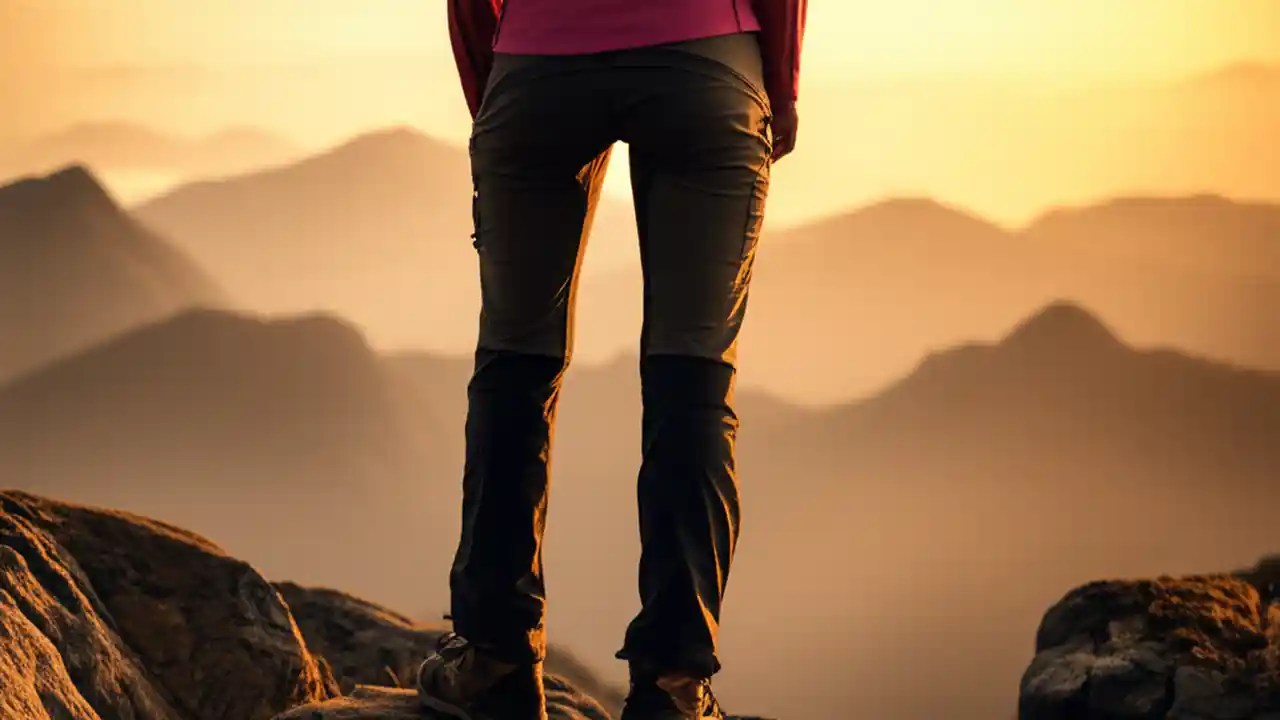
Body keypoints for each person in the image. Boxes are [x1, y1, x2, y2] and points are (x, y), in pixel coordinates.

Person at [417, 1, 806, 718]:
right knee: (694, 381)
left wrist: (499, 80)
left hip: (540, 64)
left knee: (515, 367)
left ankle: (494, 660)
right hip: (709, 59)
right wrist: (779, 88)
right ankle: (674, 685)